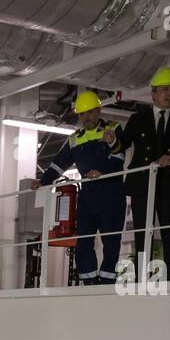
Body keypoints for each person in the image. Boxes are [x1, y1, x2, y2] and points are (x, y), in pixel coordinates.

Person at [34, 91, 127, 285]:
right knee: (83, 243)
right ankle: (90, 282)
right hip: (87, 198)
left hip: (111, 194)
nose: (86, 118)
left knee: (111, 243)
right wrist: (44, 181)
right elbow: (58, 165)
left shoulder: (113, 129)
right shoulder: (75, 139)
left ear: (99, 110)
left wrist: (104, 168)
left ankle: (107, 282)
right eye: (82, 114)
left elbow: (119, 159)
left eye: (91, 112)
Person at [119, 66, 170, 264]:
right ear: (154, 93)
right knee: (142, 236)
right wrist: (112, 139)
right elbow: (121, 145)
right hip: (142, 185)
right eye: (165, 89)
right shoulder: (137, 119)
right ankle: (141, 282)